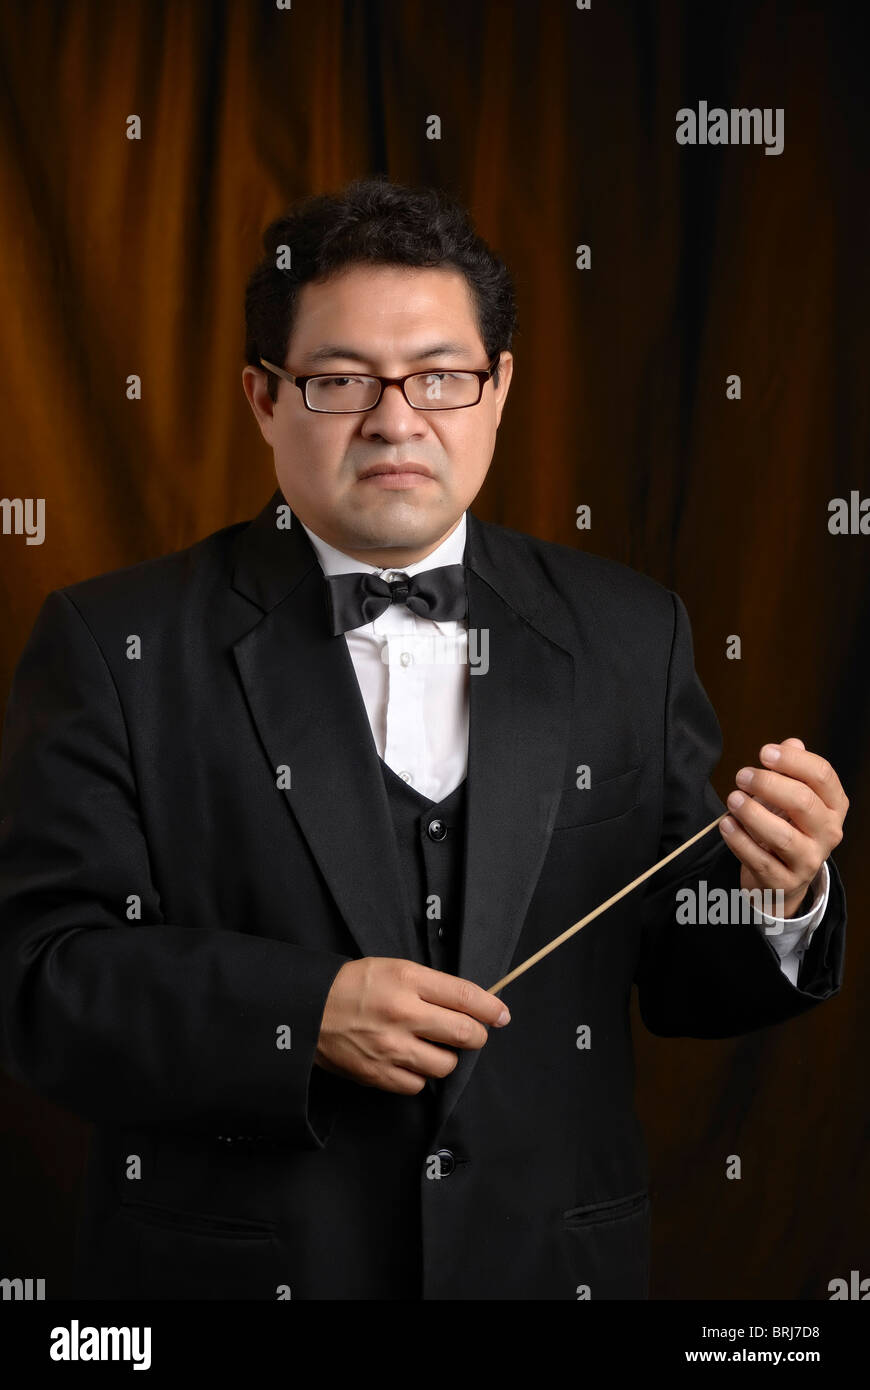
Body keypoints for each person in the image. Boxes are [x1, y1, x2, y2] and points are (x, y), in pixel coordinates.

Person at [0, 178, 848, 1300]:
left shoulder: (635, 633)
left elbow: (683, 979)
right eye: (341, 380)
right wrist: (301, 1013)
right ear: (264, 397)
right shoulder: (112, 643)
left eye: (441, 377)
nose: (396, 420)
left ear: (499, 391)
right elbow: (42, 983)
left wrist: (775, 897)